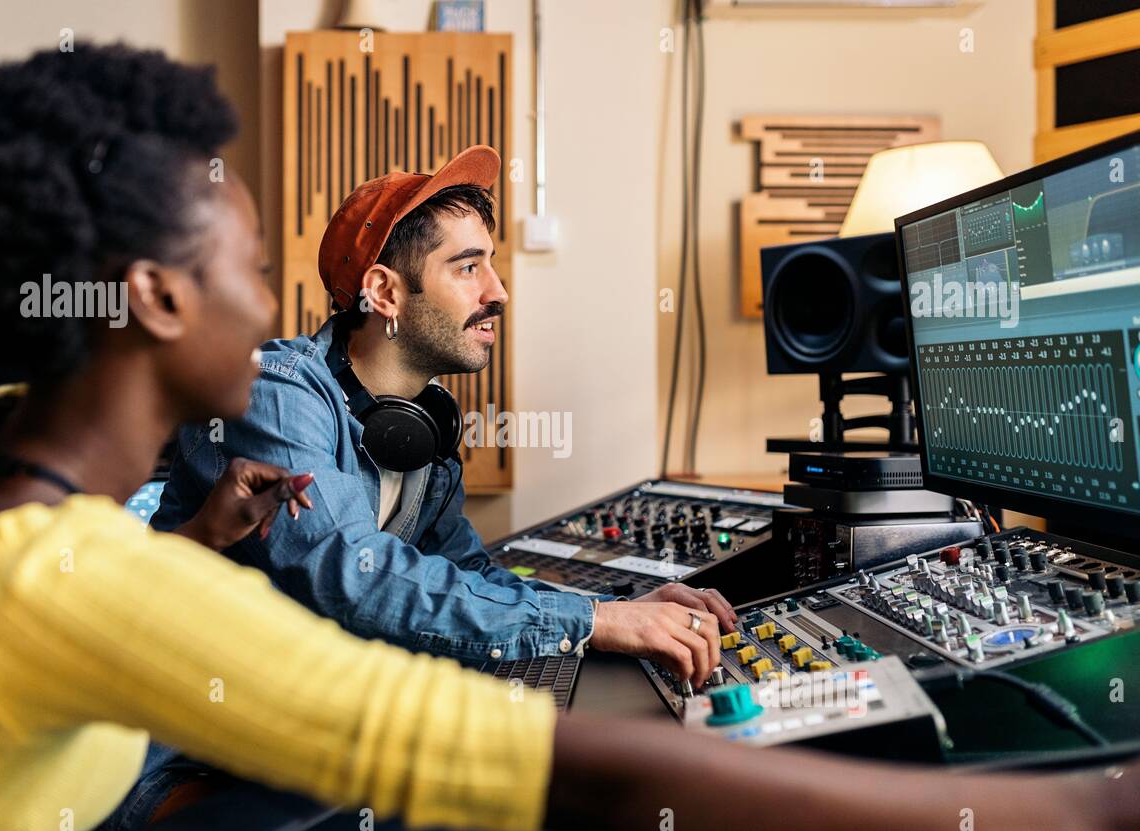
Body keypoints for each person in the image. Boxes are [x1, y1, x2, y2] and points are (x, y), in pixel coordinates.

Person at [0, 42, 1140, 831]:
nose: (259, 307)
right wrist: (1083, 824)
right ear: (156, 298)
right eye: (240, 271)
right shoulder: (87, 562)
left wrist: (196, 543)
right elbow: (451, 731)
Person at [151, 146, 734, 683]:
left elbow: (465, 571)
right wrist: (593, 624)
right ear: (384, 294)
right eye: (467, 267)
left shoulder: (422, 422)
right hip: (189, 752)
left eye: (492, 266)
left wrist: (605, 612)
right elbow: (355, 576)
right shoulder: (279, 394)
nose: (498, 291)